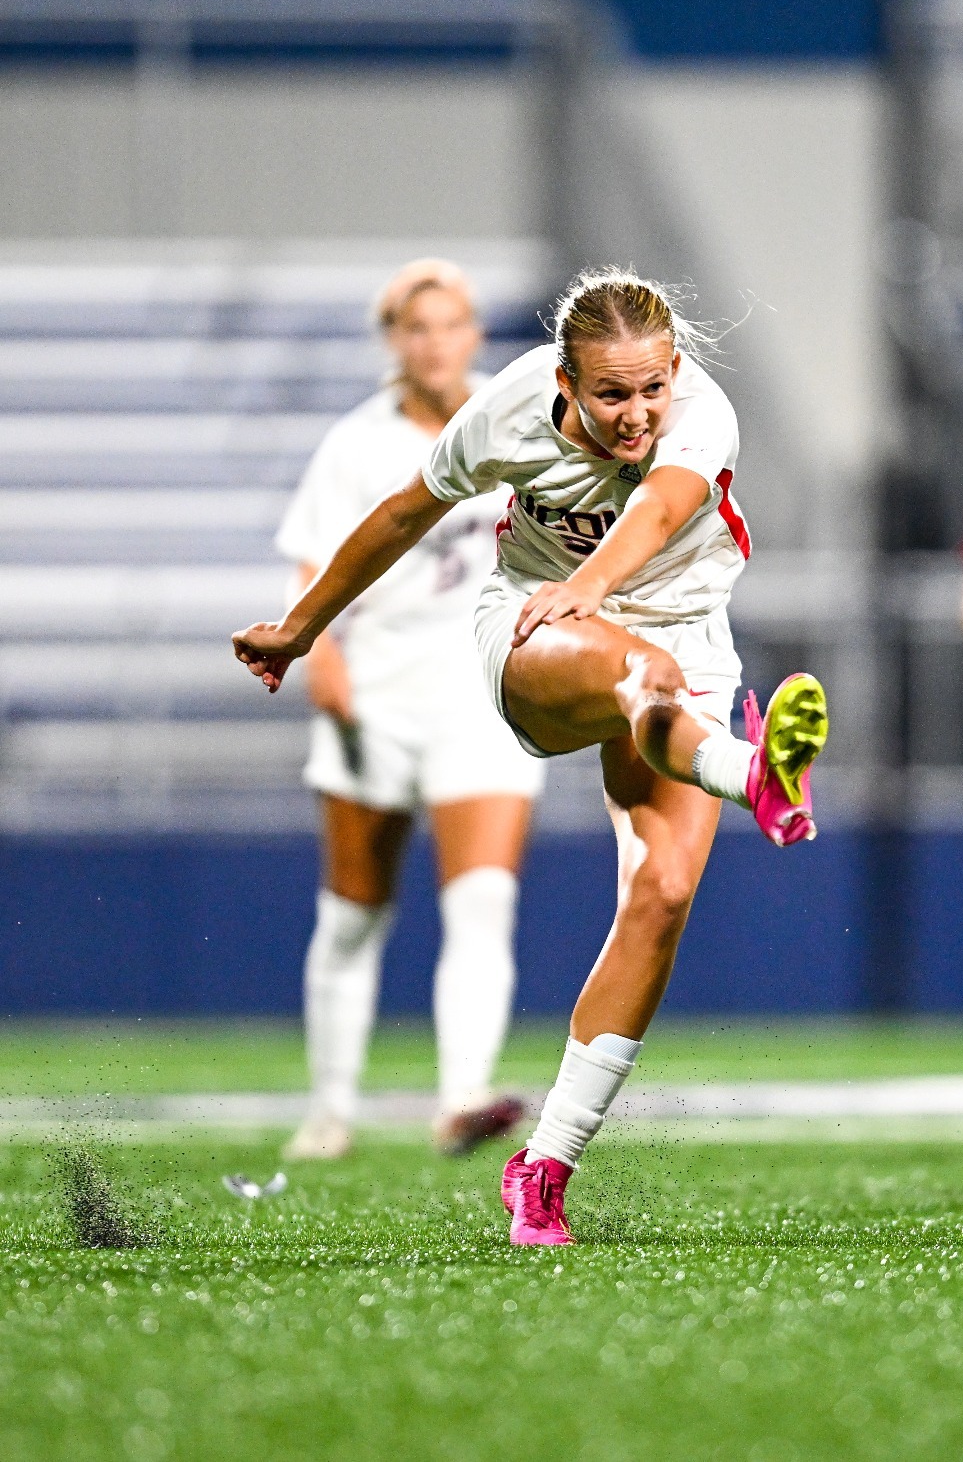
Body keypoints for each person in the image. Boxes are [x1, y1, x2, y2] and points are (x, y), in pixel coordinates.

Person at [234, 267, 829, 1246]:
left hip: (680, 638)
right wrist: (302, 628)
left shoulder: (702, 414)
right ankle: (747, 773)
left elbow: (660, 504)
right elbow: (398, 515)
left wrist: (593, 582)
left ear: (674, 368)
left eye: (651, 387)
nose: (637, 411)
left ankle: (542, 1165)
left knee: (664, 895)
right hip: (534, 635)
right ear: (563, 376)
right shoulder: (504, 411)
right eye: (610, 392)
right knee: (637, 672)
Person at [277, 259, 545, 1163]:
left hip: (483, 698)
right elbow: (313, 570)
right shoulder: (356, 445)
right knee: (354, 912)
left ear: (475, 333)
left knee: (484, 904)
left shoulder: (516, 424)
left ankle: (463, 1095)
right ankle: (329, 1109)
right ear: (394, 340)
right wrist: (321, 655)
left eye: (452, 323)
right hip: (379, 698)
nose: (435, 342)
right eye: (416, 326)